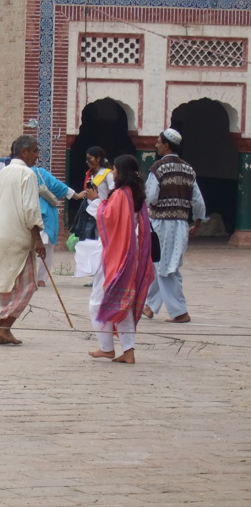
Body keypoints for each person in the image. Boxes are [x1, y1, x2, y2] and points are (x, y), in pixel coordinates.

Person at [0, 135, 46, 345]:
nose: (37, 155)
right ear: (24, 152)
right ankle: (5, 328)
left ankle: (3, 327)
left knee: (5, 281)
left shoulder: (2, 173)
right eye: (34, 151)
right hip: (18, 240)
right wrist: (38, 240)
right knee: (27, 285)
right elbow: (31, 211)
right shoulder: (27, 174)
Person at [86, 155, 155, 364]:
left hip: (118, 254)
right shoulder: (137, 195)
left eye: (114, 169)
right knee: (123, 300)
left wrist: (95, 199)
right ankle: (128, 350)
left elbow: (106, 217)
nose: (112, 173)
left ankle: (107, 347)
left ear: (121, 172)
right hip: (132, 251)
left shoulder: (121, 195)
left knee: (99, 301)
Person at [143, 128, 206, 323]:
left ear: (166, 145)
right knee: (161, 264)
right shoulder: (189, 169)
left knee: (165, 267)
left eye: (158, 142)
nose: (156, 145)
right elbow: (198, 201)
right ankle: (150, 305)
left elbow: (150, 197)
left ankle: (180, 312)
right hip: (180, 224)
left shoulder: (158, 169)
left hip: (162, 224)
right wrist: (196, 223)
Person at [33, 166, 85, 287]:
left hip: (23, 214)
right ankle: (41, 278)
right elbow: (56, 185)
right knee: (46, 249)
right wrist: (76, 195)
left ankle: (23, 277)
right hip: (43, 214)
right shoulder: (40, 173)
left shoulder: (9, 172)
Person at [73, 146, 115, 279]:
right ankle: (94, 273)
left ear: (98, 159)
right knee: (90, 241)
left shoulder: (107, 174)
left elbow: (114, 192)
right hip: (90, 212)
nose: (87, 161)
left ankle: (101, 274)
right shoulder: (89, 174)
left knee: (100, 242)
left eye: (90, 158)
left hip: (102, 211)